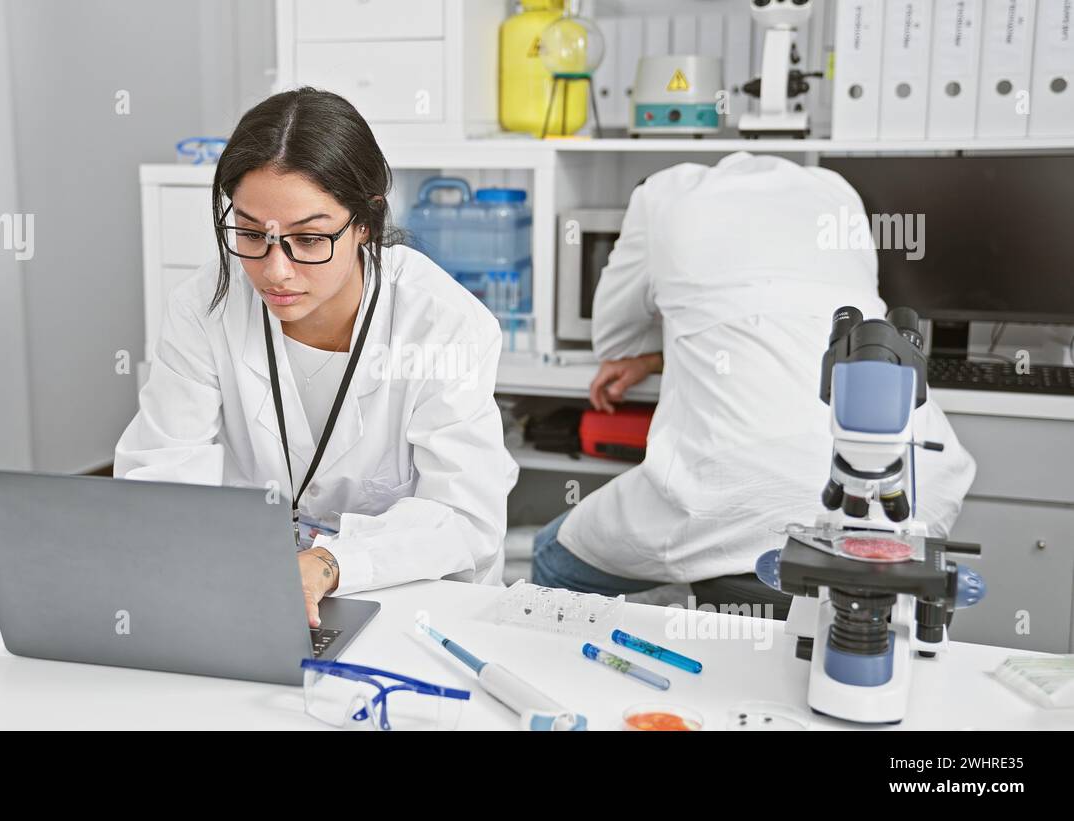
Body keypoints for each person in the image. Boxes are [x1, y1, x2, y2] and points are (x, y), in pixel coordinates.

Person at [115, 88, 518, 627]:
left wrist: (330, 562)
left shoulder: (442, 324)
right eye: (252, 233)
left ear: (365, 223)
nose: (276, 271)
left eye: (308, 239)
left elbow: (465, 516)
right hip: (255, 594)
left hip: (412, 607)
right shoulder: (203, 308)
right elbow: (160, 474)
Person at [532, 152, 975, 617]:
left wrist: (653, 352)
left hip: (739, 486)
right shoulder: (836, 191)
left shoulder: (662, 196)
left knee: (552, 558)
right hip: (915, 481)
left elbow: (613, 339)